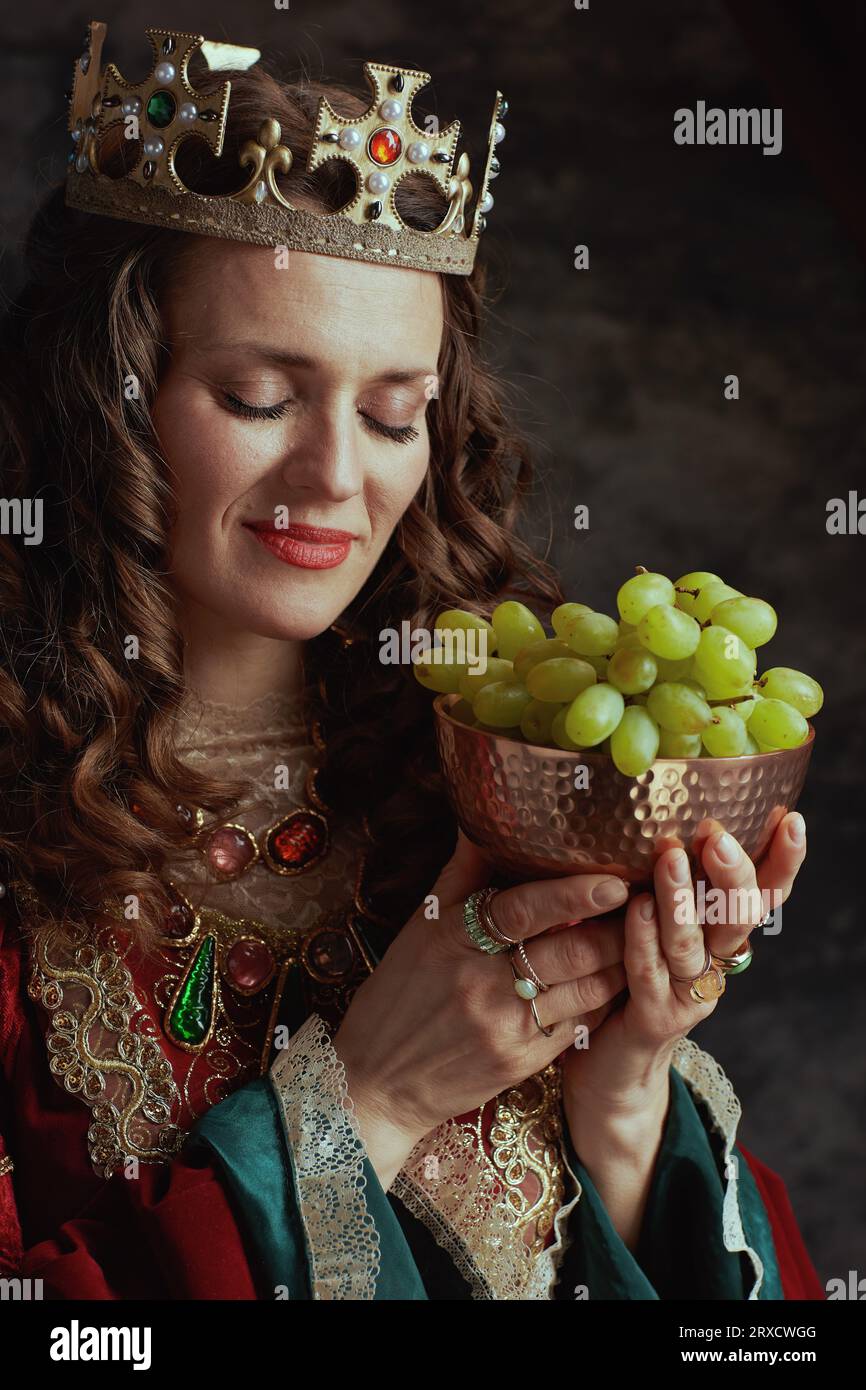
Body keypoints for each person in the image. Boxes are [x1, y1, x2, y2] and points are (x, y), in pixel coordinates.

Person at [0, 21, 822, 1300]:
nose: (337, 477)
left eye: (393, 414)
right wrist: (360, 1106)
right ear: (106, 396)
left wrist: (624, 1099)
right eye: (260, 398)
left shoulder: (508, 794)